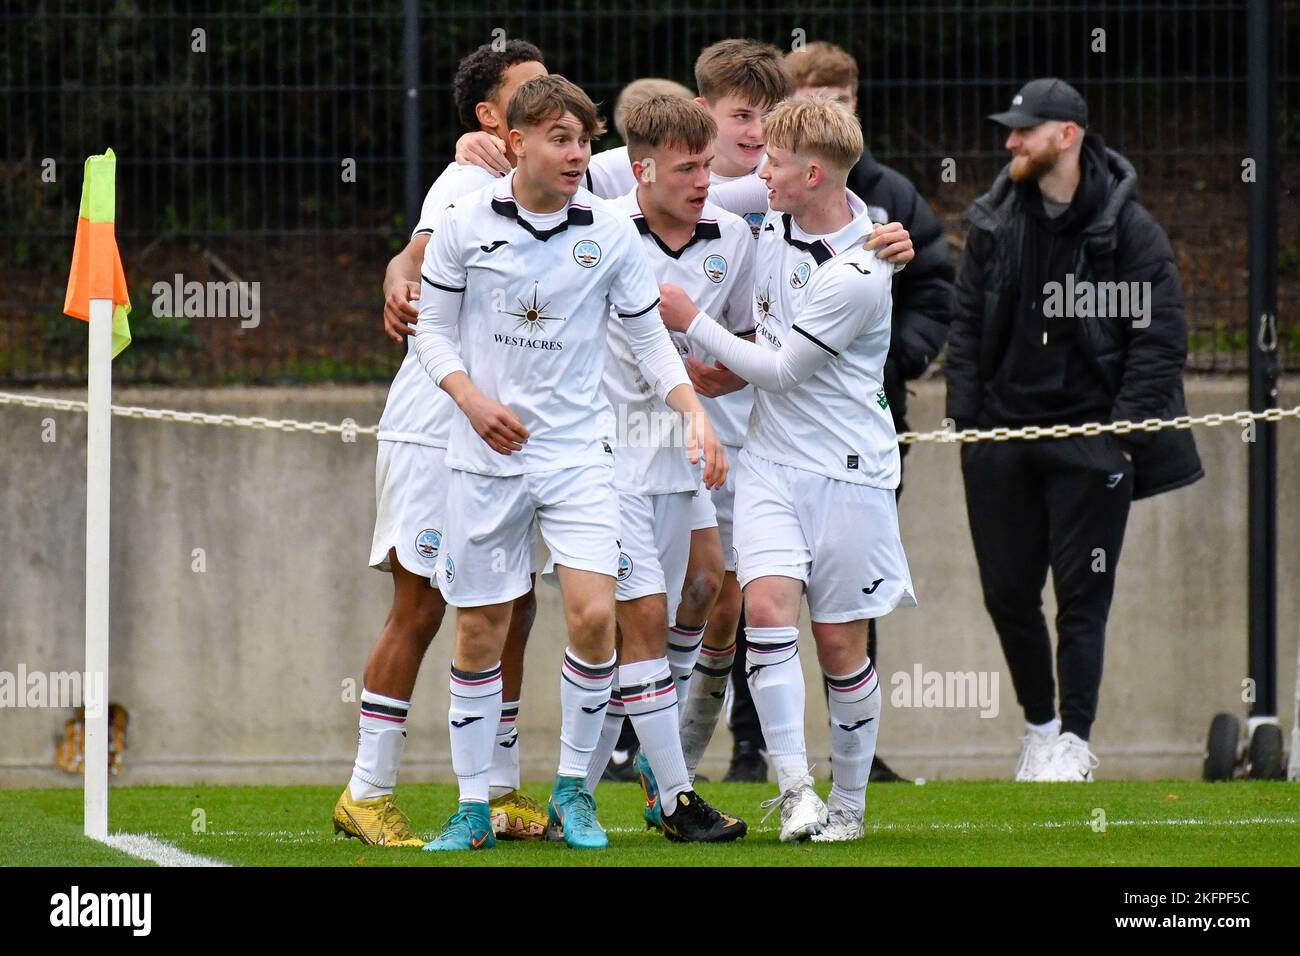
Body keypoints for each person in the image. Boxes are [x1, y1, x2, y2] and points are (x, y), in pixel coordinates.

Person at [414, 75, 726, 851]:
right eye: (559, 137)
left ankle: (570, 796)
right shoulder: (463, 223)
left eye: (584, 139)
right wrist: (471, 401)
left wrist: (694, 415)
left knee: (594, 617)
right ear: (516, 143)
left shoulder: (609, 232)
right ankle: (472, 806)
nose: (576, 152)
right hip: (484, 458)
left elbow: (651, 338)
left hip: (582, 457)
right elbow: (431, 334)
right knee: (481, 628)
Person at [660, 94, 918, 842]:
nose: (755, 170)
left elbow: (781, 369)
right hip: (770, 463)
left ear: (810, 173)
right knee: (767, 611)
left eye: (771, 161)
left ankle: (851, 808)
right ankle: (797, 791)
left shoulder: (864, 268)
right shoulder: (774, 208)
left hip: (849, 473)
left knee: (841, 646)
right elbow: (648, 180)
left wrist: (694, 324)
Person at [946, 78, 1203, 782]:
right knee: (1007, 592)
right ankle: (1040, 727)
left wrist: (1125, 433)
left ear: (1067, 135)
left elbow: (1160, 335)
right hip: (1001, 437)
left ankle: (1076, 741)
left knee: (1083, 595)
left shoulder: (1128, 230)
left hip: (1092, 439)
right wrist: (967, 423)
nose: (1009, 142)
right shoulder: (996, 222)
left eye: (1024, 130)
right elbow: (965, 325)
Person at [333, 39, 548, 847]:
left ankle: (497, 790)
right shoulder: (466, 177)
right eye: (528, 94)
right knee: (422, 604)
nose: (550, 102)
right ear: (490, 117)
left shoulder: (557, 181)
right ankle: (366, 791)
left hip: (503, 431)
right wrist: (398, 268)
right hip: (434, 423)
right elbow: (416, 256)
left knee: (515, 605)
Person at [763, 39, 954, 783]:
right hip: (767, 447)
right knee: (763, 603)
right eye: (816, 93)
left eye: (843, 93)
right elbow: (656, 186)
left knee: (841, 628)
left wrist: (889, 360)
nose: (833, 106)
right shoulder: (761, 194)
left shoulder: (888, 203)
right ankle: (774, 767)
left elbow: (934, 283)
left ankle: (852, 781)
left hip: (853, 449)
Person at [578, 94, 754, 842]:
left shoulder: (736, 235)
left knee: (707, 586)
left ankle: (638, 771)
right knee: (625, 622)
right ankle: (662, 790)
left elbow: (746, 338)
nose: (703, 181)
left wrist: (727, 376)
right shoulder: (600, 233)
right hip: (609, 455)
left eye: (708, 166)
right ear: (640, 171)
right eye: (687, 168)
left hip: (685, 449)